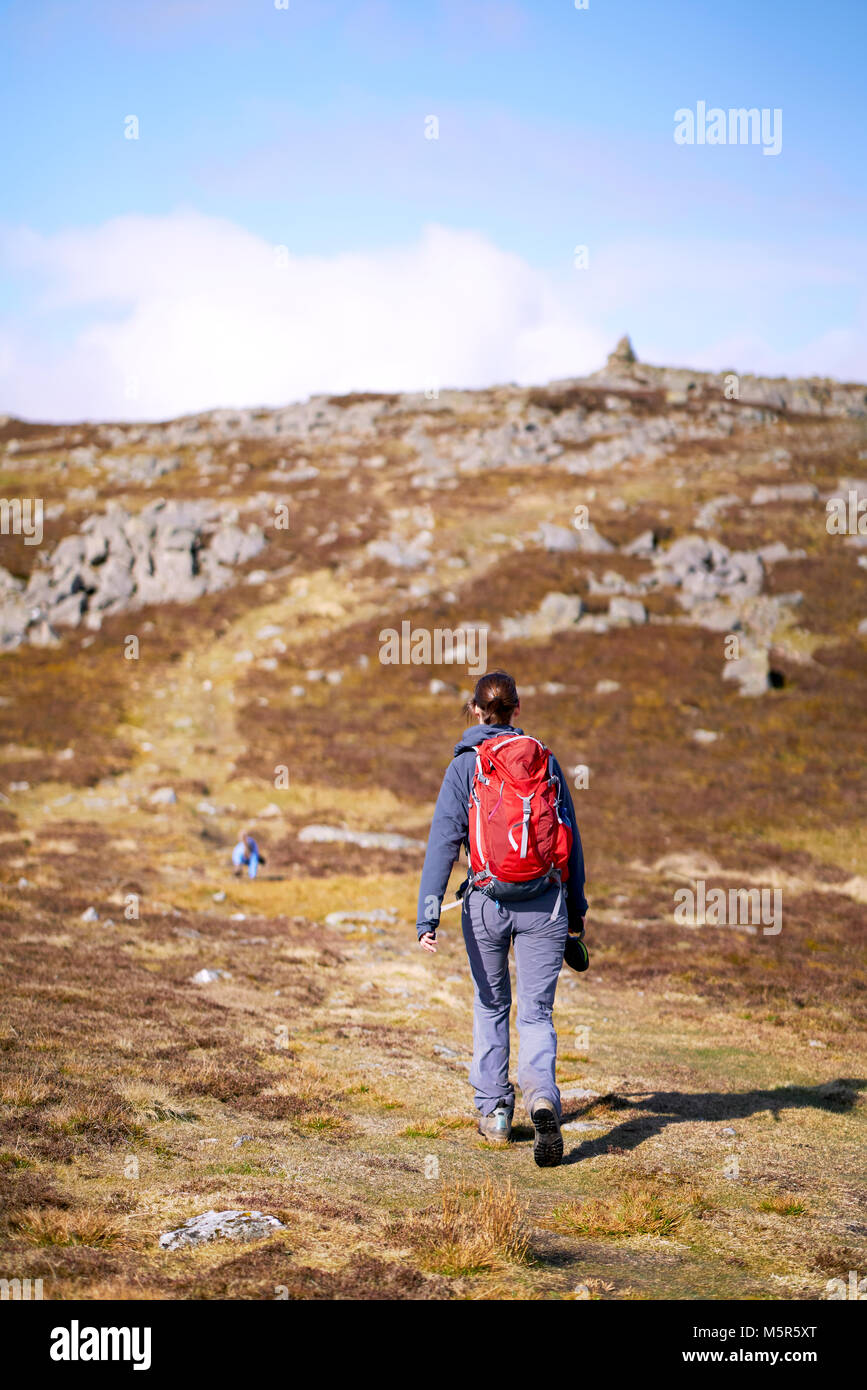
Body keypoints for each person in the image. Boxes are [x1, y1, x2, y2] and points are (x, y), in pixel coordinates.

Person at [416, 670, 588, 1167]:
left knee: (491, 1005)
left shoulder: (464, 767)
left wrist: (429, 917)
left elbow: (442, 845)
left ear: (475, 710)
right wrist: (575, 913)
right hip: (545, 905)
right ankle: (541, 1100)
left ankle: (494, 1113)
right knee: (536, 1014)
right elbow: (570, 843)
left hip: (486, 904)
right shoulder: (544, 762)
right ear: (518, 709)